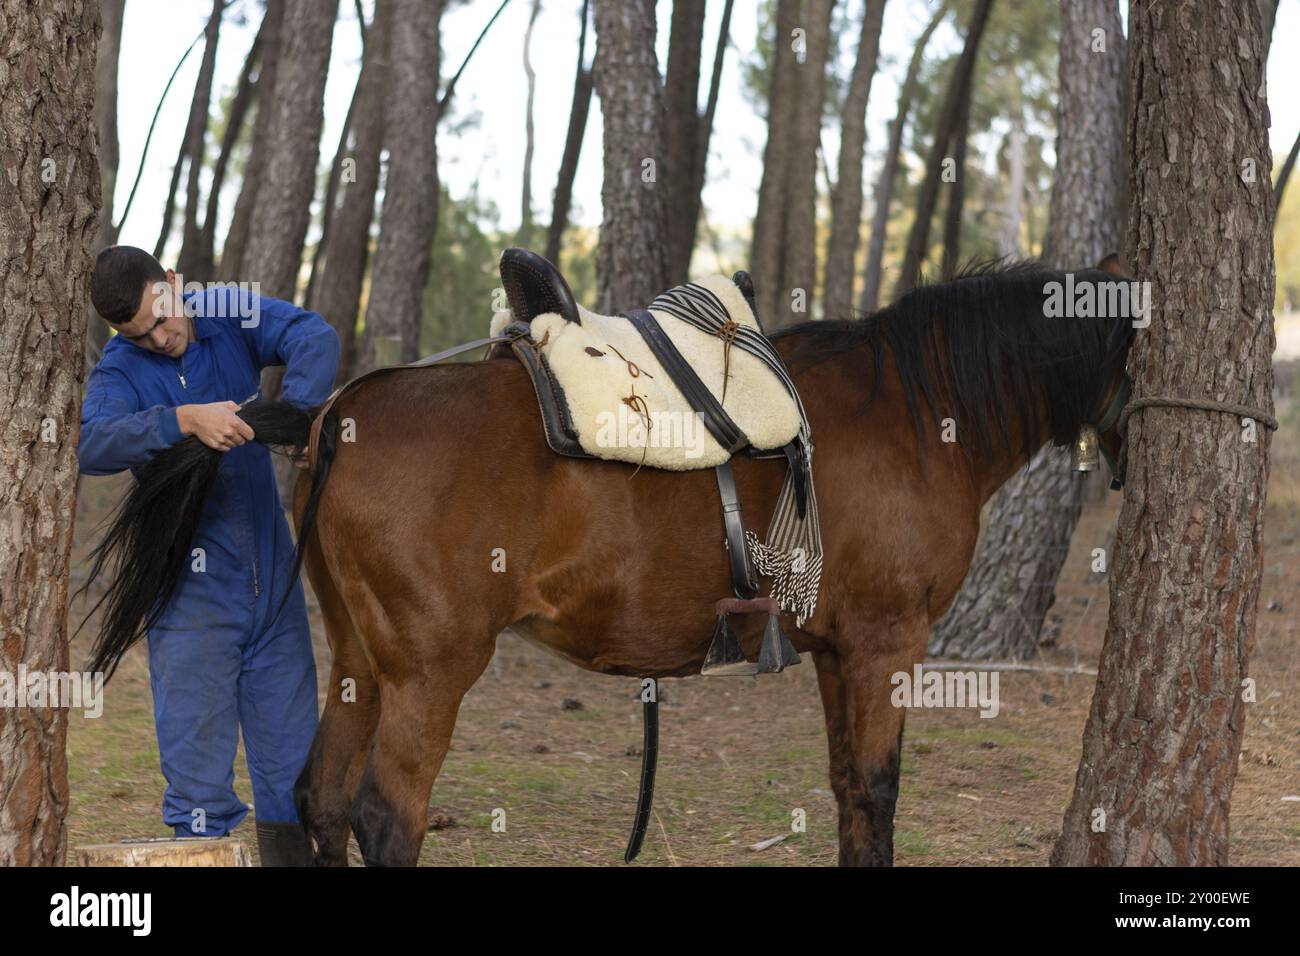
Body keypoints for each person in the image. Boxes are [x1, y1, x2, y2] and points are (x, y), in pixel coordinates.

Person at [79, 245, 339, 866]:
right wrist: (182, 420)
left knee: (294, 766)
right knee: (197, 784)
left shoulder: (225, 313)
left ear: (172, 283)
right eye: (140, 335)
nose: (162, 339)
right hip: (191, 599)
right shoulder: (119, 371)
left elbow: (314, 333)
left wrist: (298, 414)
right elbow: (90, 444)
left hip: (273, 587)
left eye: (163, 319)